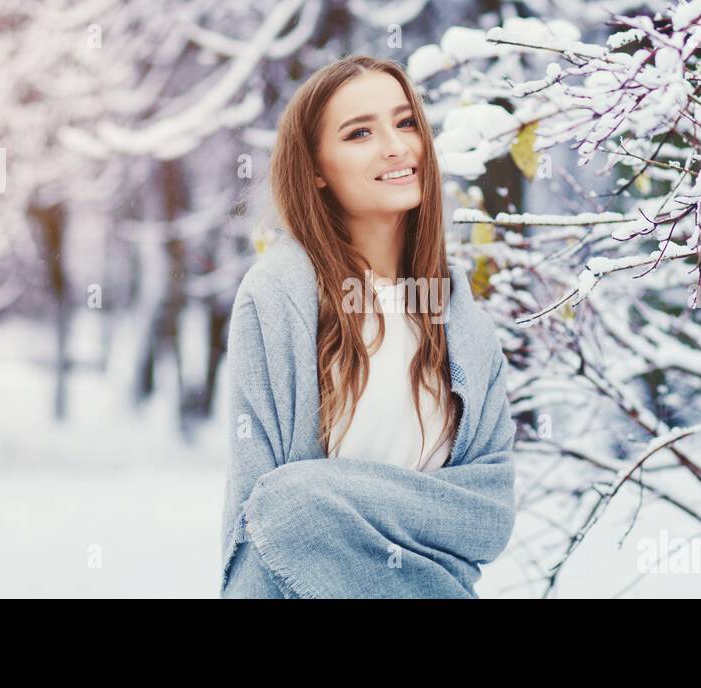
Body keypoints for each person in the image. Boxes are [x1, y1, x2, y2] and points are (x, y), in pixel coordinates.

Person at [219, 55, 516, 599]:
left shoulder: (460, 318)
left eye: (405, 123)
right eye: (360, 133)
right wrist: (323, 509)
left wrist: (323, 502)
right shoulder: (279, 300)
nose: (396, 146)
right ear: (314, 169)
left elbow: (489, 513)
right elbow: (264, 518)